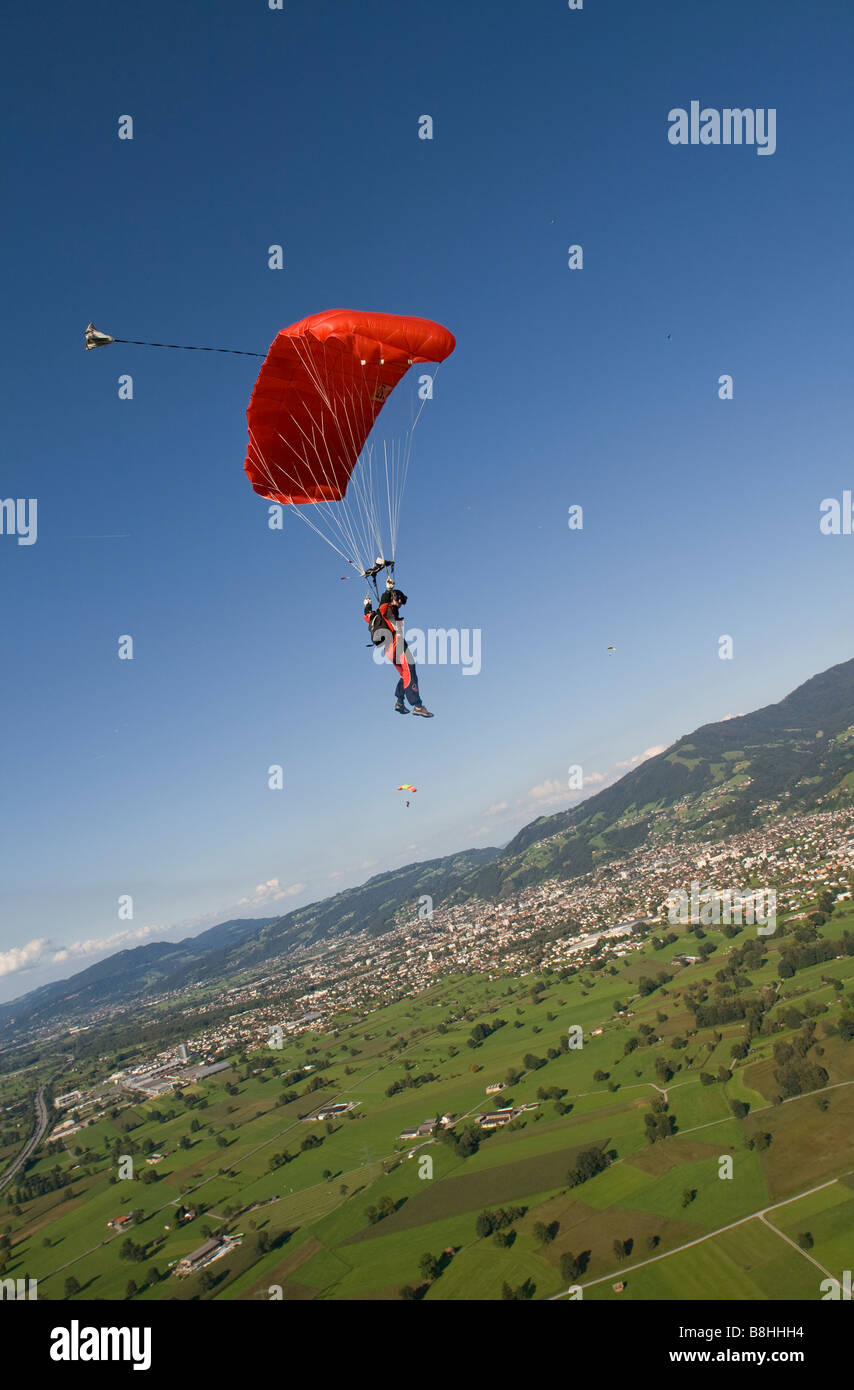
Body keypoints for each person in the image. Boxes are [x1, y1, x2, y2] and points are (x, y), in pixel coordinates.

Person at [364, 586, 433, 716]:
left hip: (389, 650)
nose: (400, 603)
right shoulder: (389, 608)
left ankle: (400, 702)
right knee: (410, 669)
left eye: (402, 601)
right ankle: (417, 705)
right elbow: (385, 604)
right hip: (397, 644)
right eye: (399, 599)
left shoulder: (376, 615)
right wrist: (388, 590)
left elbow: (367, 616)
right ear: (393, 598)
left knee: (405, 674)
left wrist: (367, 605)